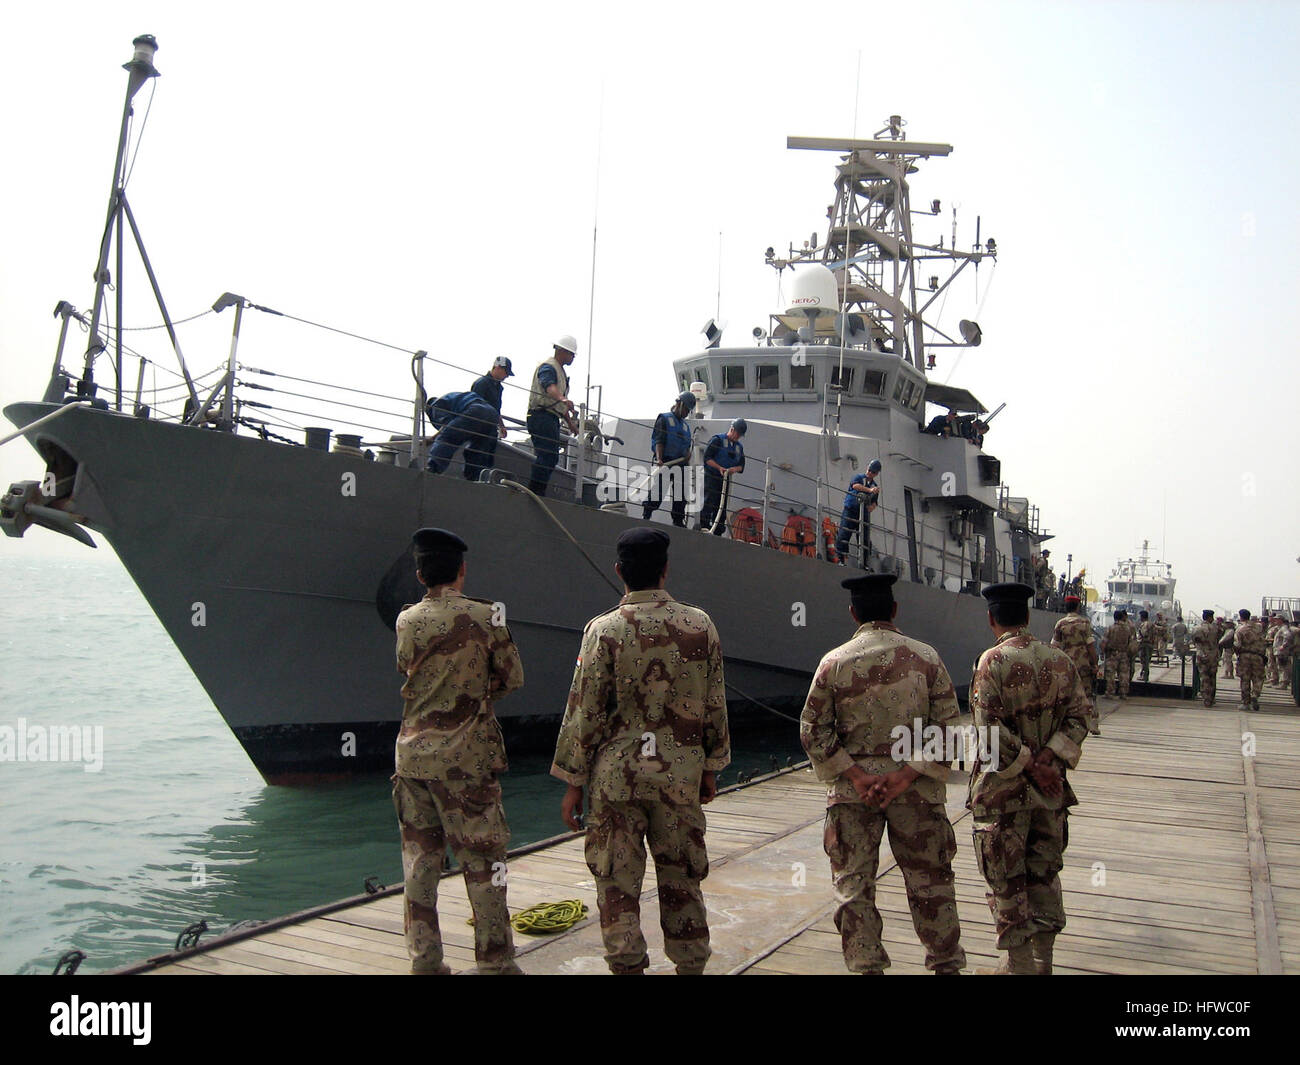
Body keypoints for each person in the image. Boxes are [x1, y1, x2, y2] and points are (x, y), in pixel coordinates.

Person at [551, 527, 730, 974]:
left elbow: (583, 712)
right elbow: (714, 703)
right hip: (679, 776)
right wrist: (711, 767)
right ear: (665, 570)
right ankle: (690, 965)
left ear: (619, 572)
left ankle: (626, 965)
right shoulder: (699, 625)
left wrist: (574, 783)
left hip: (617, 780)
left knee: (617, 885)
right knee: (681, 879)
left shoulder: (603, 630)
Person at [799, 573, 966, 975]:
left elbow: (812, 730)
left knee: (853, 885)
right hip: (917, 794)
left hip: (854, 795)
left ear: (853, 612)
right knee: (930, 884)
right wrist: (906, 775)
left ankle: (866, 966)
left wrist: (856, 776)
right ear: (894, 610)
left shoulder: (833, 662)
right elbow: (949, 729)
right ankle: (945, 965)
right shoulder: (927, 658)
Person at [392, 527, 525, 975]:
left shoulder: (406, 620)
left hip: (412, 760)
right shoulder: (488, 617)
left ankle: (425, 963)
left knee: (420, 865)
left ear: (419, 573)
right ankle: (495, 964)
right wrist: (476, 695)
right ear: (462, 571)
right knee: (485, 864)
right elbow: (512, 678)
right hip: (467, 760)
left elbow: (405, 668)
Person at [968, 582, 1090, 975]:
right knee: (1044, 877)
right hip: (1049, 793)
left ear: (991, 618)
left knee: (1005, 883)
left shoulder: (991, 662)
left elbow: (987, 727)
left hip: (1003, 796)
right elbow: (1080, 717)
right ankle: (1043, 964)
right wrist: (1049, 758)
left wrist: (1026, 762)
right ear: (1028, 616)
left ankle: (1016, 967)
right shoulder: (1060, 661)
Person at [526, 335, 580, 497]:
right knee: (547, 455)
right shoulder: (548, 367)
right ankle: (534, 491)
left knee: (550, 456)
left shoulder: (560, 372)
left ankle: (537, 490)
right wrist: (563, 398)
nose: (572, 358)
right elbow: (549, 386)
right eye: (572, 354)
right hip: (540, 416)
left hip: (551, 417)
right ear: (563, 351)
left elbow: (559, 405)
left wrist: (570, 424)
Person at [642, 392, 696, 527]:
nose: (686, 413)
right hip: (666, 461)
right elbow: (659, 440)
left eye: (688, 411)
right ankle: (646, 514)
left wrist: (688, 454)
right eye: (686, 410)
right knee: (659, 491)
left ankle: (678, 520)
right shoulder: (664, 419)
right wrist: (660, 459)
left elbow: (686, 445)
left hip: (681, 464)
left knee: (681, 494)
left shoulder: (685, 426)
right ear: (680, 404)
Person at [426, 390, 501, 482]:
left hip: (475, 411)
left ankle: (433, 468)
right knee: (477, 450)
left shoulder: (435, 405)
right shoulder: (451, 397)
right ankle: (477, 477)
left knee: (447, 439)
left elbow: (447, 429)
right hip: (492, 414)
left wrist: (433, 439)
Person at [1052, 595, 1100, 735]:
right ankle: (1093, 724)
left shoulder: (1060, 624)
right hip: (1083, 664)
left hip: (1066, 665)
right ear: (1078, 607)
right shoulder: (1085, 623)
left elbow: (1054, 647)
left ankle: (1062, 724)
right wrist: (1095, 664)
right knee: (1088, 695)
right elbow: (1090, 646)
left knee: (1065, 694)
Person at [697, 418, 746, 534]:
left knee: (722, 505)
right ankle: (704, 526)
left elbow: (742, 466)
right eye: (737, 434)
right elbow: (707, 458)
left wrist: (734, 469)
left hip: (725, 479)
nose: (737, 437)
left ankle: (718, 529)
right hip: (712, 477)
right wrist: (719, 467)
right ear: (732, 429)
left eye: (740, 435)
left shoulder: (739, 447)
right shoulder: (717, 440)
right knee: (709, 500)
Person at [834, 459, 882, 566]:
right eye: (870, 470)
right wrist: (869, 490)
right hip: (850, 510)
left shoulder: (874, 486)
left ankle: (864, 563)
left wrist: (872, 507)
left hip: (863, 514)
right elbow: (855, 486)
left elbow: (874, 503)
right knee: (844, 534)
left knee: (864, 540)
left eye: (873, 472)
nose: (870, 473)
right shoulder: (859, 477)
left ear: (876, 474)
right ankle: (840, 559)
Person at [1233, 609, 1267, 712]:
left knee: (1245, 679)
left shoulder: (1240, 629)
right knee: (1258, 677)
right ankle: (1255, 694)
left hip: (1245, 656)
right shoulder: (1259, 627)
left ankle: (1245, 703)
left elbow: (1237, 645)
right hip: (1258, 656)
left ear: (1241, 617)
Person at [1101, 609, 1136, 699]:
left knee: (1110, 674)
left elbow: (1104, 641)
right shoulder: (1128, 629)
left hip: (1112, 654)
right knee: (1124, 674)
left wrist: (1102, 651)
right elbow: (1131, 642)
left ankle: (1110, 692)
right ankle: (1123, 693)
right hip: (1124, 654)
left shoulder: (1111, 628)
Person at [1190, 609, 1220, 707]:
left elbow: (1194, 641)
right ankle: (1212, 697)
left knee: (1204, 677)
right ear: (1210, 617)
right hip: (1213, 655)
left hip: (1201, 654)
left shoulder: (1196, 628)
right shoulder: (1216, 628)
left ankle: (1206, 698)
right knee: (1212, 677)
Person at [1274, 616, 1294, 693]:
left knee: (1283, 667)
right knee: (1281, 667)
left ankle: (1284, 683)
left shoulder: (1284, 628)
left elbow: (1288, 636)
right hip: (1279, 651)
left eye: (1277, 619)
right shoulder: (1280, 628)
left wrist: (1283, 646)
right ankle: (1282, 682)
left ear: (1281, 620)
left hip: (1282, 652)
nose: (1275, 621)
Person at [1136, 609, 1154, 682]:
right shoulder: (1151, 623)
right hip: (1150, 644)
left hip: (1144, 645)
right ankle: (1144, 675)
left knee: (1144, 661)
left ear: (1142, 617)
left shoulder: (1145, 624)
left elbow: (1144, 634)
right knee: (1146, 661)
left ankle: (1144, 676)